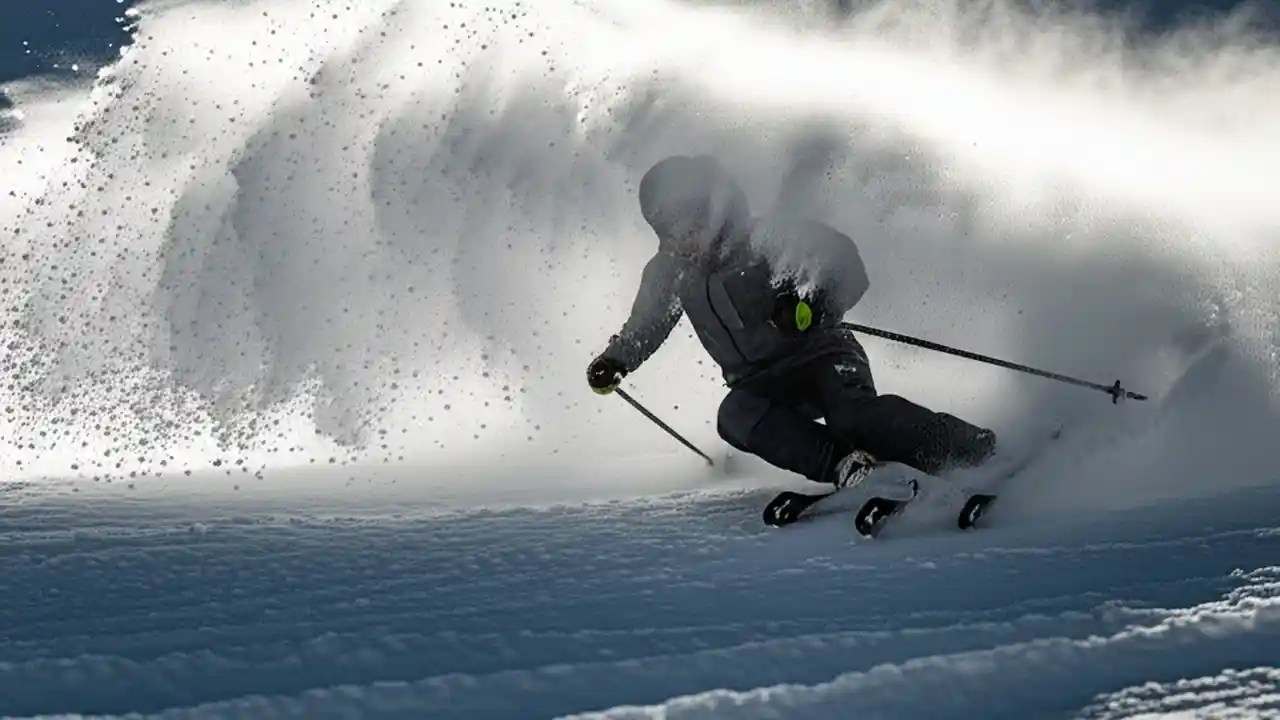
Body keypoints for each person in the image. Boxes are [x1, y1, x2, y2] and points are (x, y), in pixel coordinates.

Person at [587, 154, 996, 489]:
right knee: (734, 416)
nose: (683, 237)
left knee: (853, 418)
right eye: (669, 227)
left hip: (823, 356)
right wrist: (616, 361)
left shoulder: (765, 238)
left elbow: (846, 267)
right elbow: (647, 325)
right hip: (762, 383)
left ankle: (967, 450)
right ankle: (847, 467)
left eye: (688, 222)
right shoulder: (669, 272)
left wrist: (812, 305)